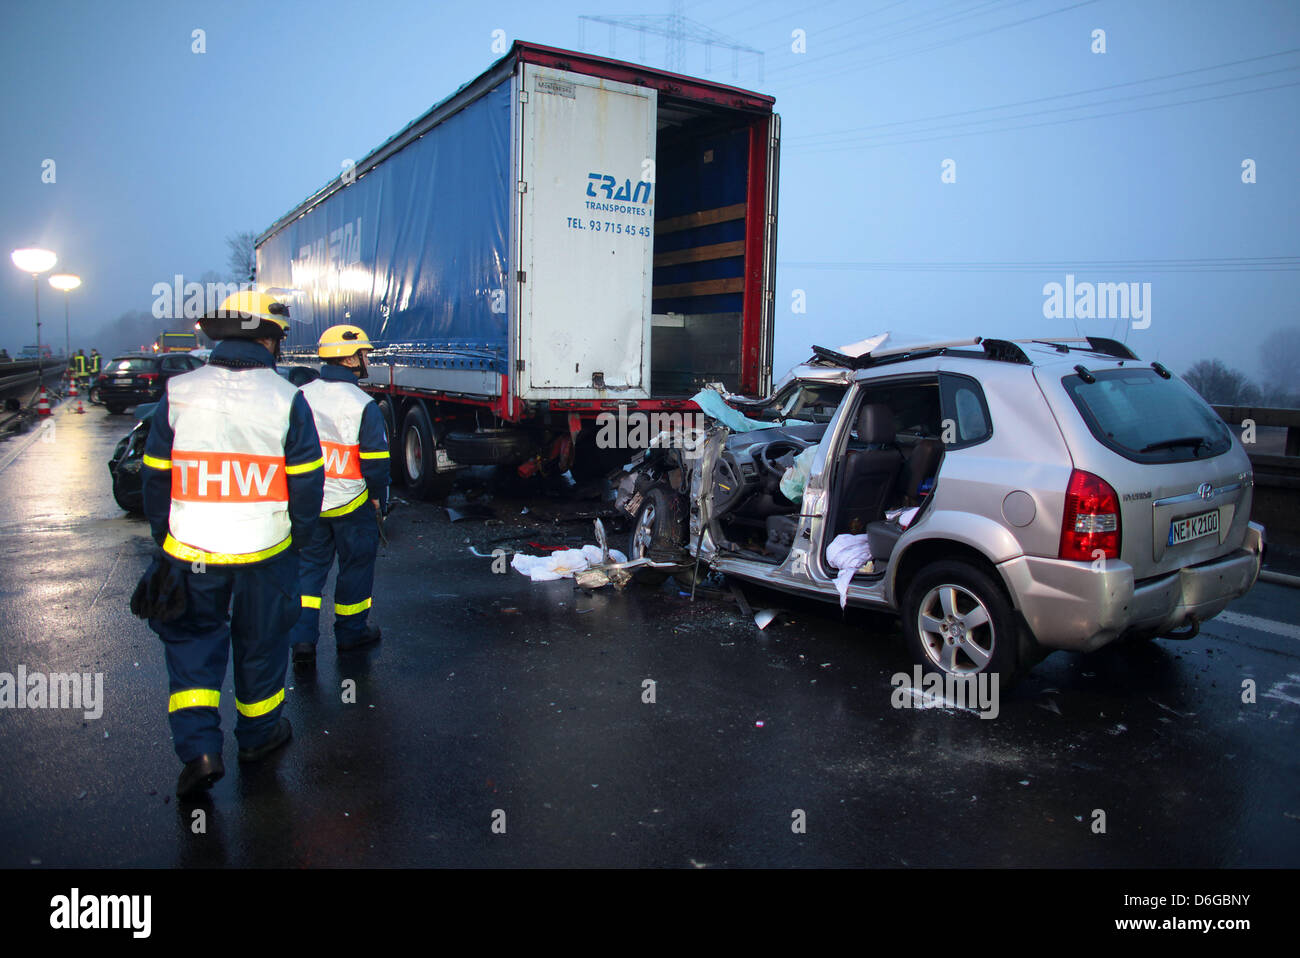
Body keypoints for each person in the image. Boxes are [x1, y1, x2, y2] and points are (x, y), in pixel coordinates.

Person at [138, 291, 324, 799]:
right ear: (268, 338)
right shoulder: (287, 399)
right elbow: (307, 484)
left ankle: (200, 751)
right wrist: (300, 540)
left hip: (191, 549)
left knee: (193, 645)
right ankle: (257, 738)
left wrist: (166, 539)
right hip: (266, 550)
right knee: (261, 643)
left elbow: (154, 478)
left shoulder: (178, 392)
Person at [289, 324, 389, 666]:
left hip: (310, 501)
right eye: (362, 354)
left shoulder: (302, 395)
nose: (365, 360)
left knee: (308, 573)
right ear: (348, 358)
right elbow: (375, 460)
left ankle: (302, 640)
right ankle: (350, 634)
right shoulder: (363, 404)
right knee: (356, 568)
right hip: (352, 503)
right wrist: (378, 497)